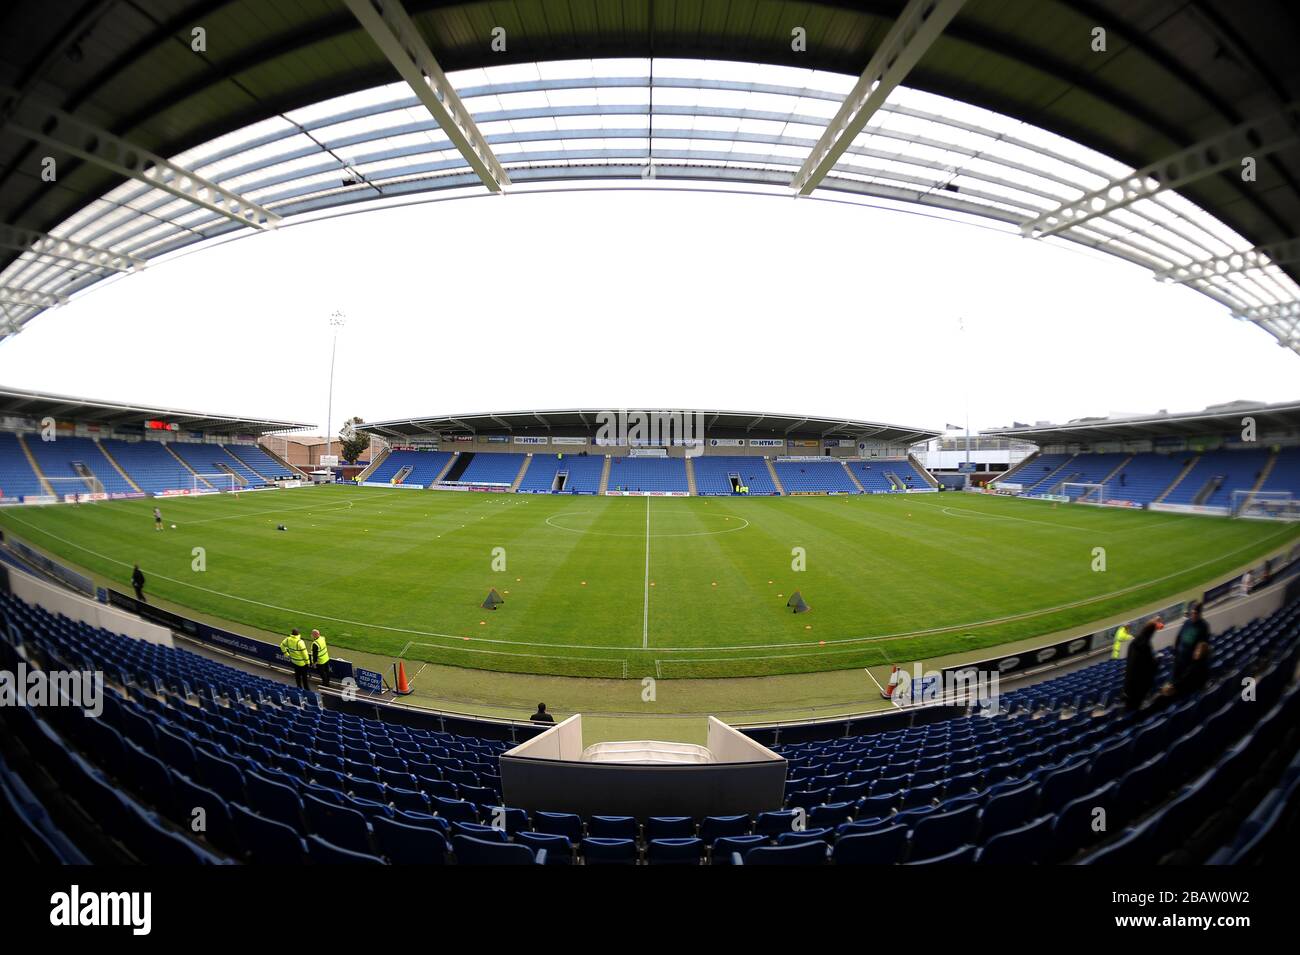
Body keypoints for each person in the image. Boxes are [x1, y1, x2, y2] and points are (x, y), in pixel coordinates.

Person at [1122, 619, 1161, 711]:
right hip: (1139, 686)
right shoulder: (1146, 646)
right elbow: (1150, 667)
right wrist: (1156, 661)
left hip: (1129, 684)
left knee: (1129, 707)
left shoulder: (1134, 642)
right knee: (1134, 707)